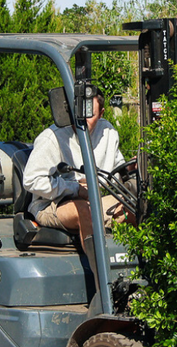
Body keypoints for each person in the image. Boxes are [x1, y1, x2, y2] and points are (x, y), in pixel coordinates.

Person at [22, 88, 128, 242]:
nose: (83, 120)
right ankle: (98, 265)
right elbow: (31, 180)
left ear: (101, 114)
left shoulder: (108, 132)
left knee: (134, 207)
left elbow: (116, 172)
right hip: (51, 204)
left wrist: (130, 170)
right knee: (85, 211)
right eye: (80, 112)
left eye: (90, 114)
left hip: (95, 201)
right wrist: (75, 189)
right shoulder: (52, 138)